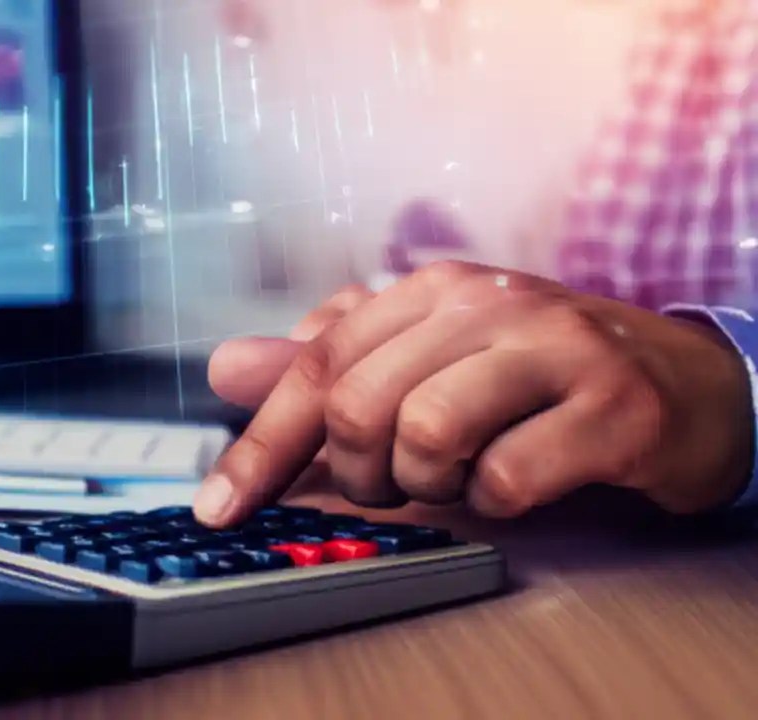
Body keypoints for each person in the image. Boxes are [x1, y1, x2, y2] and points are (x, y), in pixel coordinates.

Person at [193, 0, 758, 527]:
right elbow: (589, 343)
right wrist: (444, 383)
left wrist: (729, 401)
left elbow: (648, 376)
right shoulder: (662, 54)